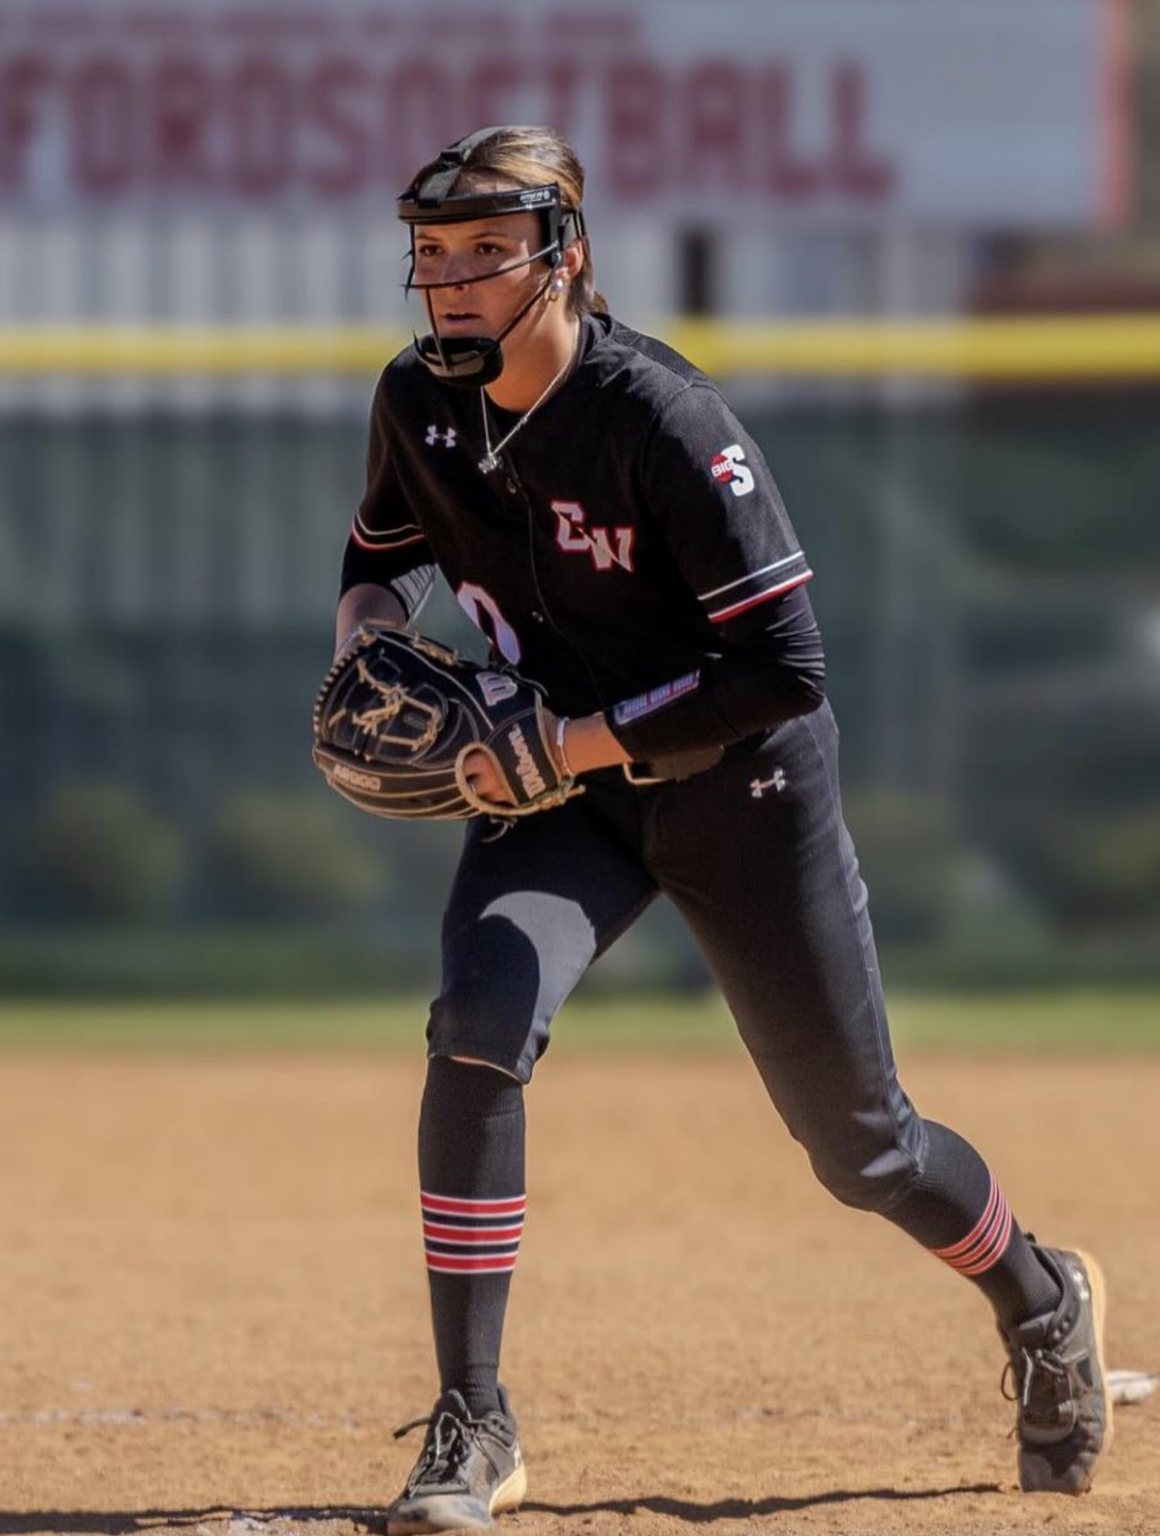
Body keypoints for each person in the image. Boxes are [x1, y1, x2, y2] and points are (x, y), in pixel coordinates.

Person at [333, 125, 1110, 1534]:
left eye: (485, 253)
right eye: (432, 255)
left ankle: (1042, 1298)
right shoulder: (420, 406)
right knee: (478, 1023)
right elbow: (379, 562)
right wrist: (367, 652)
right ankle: (474, 1418)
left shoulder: (663, 420)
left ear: (563, 255)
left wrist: (560, 742)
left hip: (736, 785)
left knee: (861, 1148)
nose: (449, 283)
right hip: (556, 797)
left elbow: (785, 667)